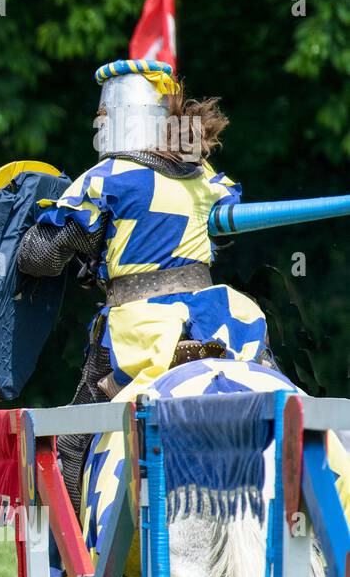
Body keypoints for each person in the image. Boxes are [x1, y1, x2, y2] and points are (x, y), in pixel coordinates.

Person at [17, 59, 273, 511]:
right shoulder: (207, 178)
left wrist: (31, 232)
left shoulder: (107, 178)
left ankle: (75, 573)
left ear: (118, 119)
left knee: (72, 444)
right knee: (267, 383)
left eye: (103, 114)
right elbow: (226, 224)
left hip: (144, 323)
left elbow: (38, 257)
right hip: (217, 316)